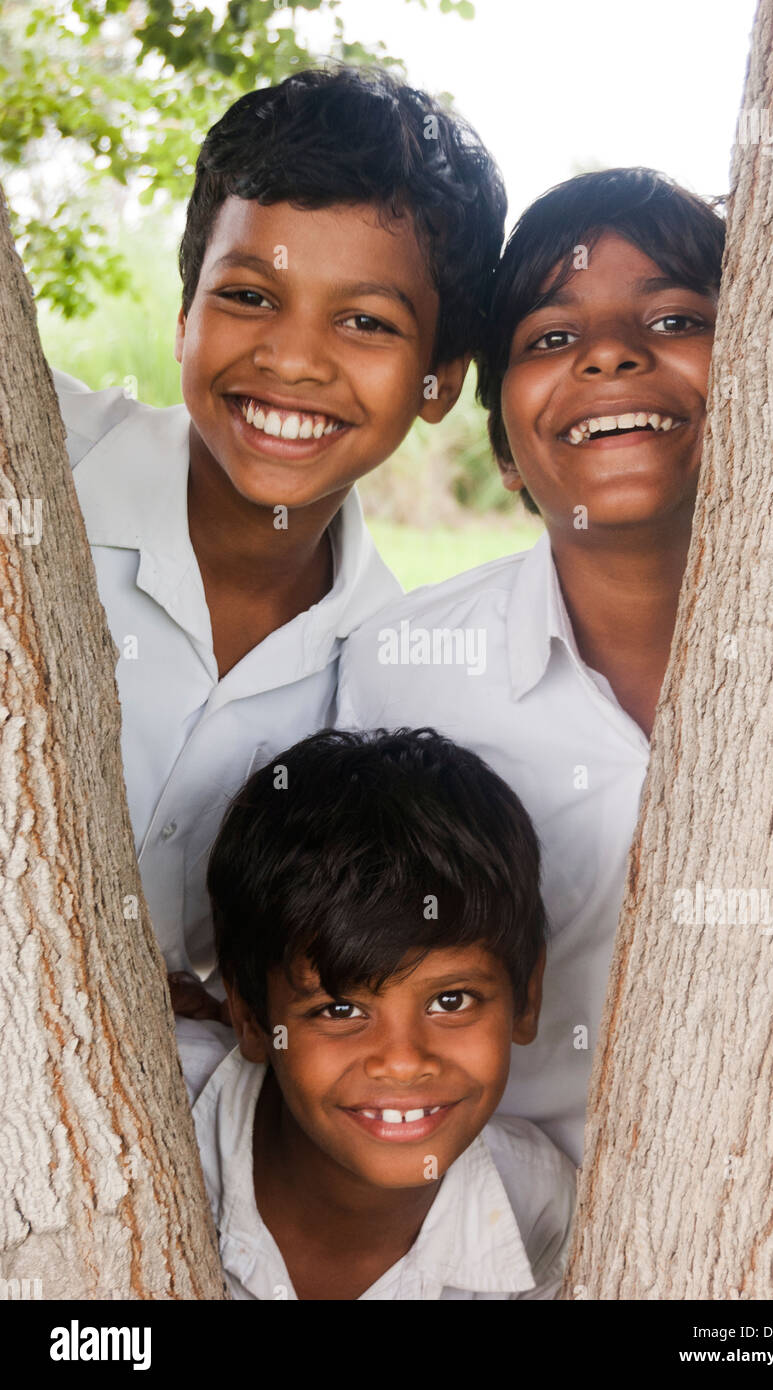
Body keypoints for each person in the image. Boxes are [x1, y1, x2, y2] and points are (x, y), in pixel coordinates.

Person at [54, 65, 506, 988]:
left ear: (442, 381)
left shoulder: (389, 685)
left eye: (366, 322)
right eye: (250, 297)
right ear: (184, 317)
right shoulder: (41, 460)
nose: (294, 360)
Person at [337, 168, 726, 1163]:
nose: (611, 353)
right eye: (551, 338)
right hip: (521, 1213)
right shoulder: (400, 673)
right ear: (506, 453)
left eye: (677, 320)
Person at [175, 728, 576, 1300]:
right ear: (250, 1016)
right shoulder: (146, 1113)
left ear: (526, 997)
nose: (404, 1062)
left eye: (451, 1001)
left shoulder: (543, 1217)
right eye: (340, 1009)